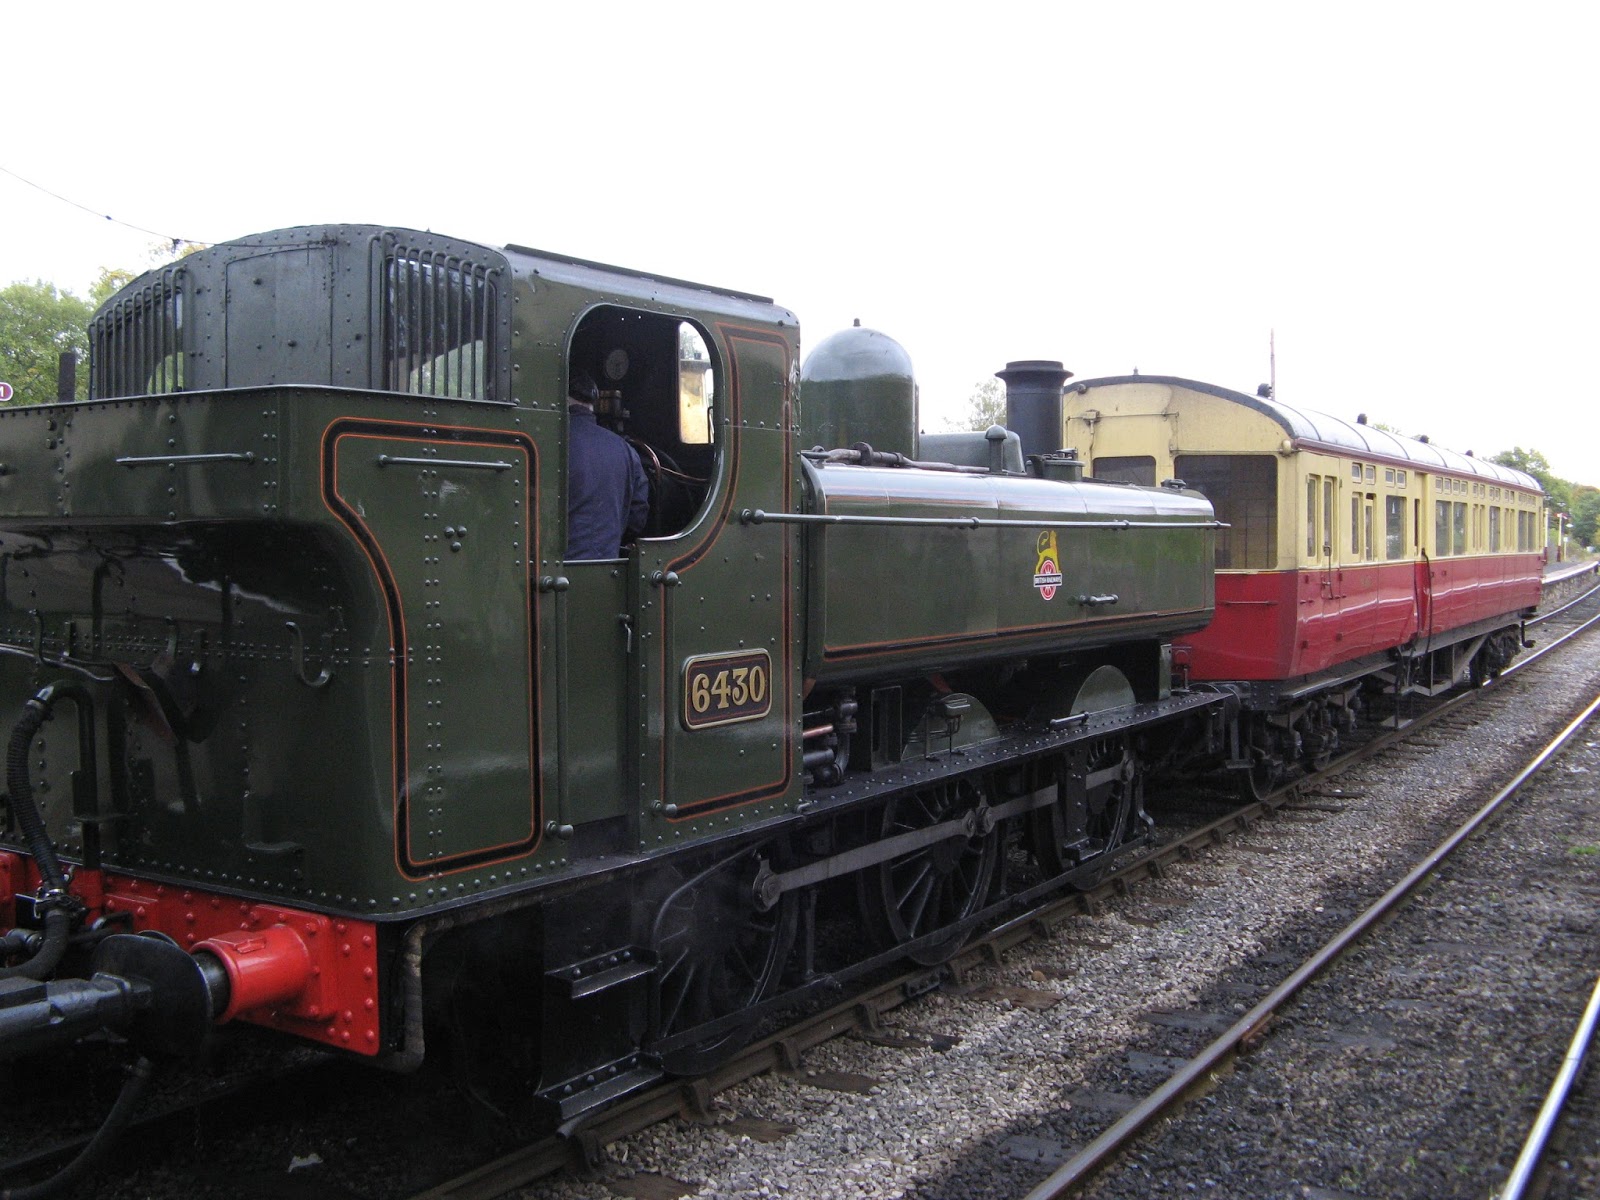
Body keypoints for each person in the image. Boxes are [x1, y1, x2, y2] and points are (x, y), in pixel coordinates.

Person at [566, 372, 650, 559]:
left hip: (552, 572)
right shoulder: (626, 450)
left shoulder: (547, 443)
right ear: (593, 404)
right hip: (607, 566)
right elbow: (637, 516)